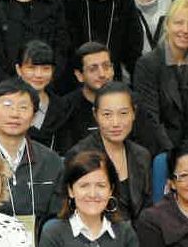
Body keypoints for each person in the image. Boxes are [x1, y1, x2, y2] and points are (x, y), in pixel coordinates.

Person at [0, 78, 63, 236]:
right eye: (7, 106)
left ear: (33, 117)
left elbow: (57, 219)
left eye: (23, 107)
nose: (15, 114)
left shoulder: (51, 161)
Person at [133, 0, 188, 153]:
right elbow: (151, 120)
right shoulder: (148, 64)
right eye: (178, 23)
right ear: (167, 25)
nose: (185, 30)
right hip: (158, 151)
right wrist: (174, 156)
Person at [65, 82, 152, 221]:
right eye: (107, 114)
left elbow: (147, 208)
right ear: (95, 115)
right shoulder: (79, 155)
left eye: (123, 113)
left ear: (134, 113)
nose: (116, 122)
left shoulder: (142, 155)